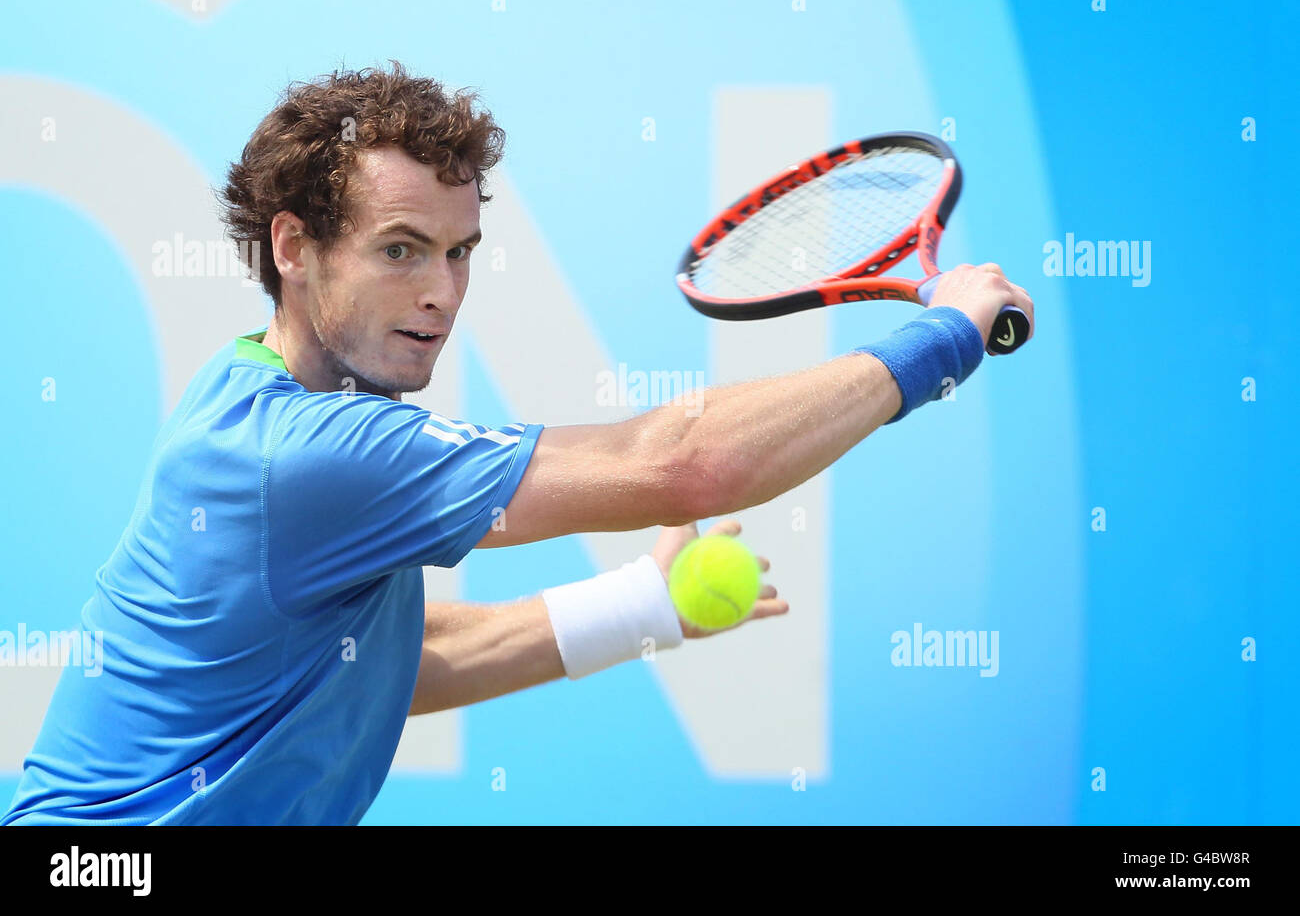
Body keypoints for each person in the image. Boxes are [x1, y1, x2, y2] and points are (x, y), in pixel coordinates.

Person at [2, 62, 1033, 825]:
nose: (441, 293)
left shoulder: (256, 403)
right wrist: (939, 338)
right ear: (292, 247)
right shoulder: (304, 455)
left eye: (459, 253)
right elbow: (680, 465)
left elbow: (390, 666)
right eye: (400, 250)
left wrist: (640, 607)